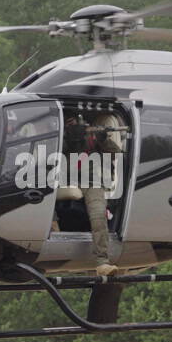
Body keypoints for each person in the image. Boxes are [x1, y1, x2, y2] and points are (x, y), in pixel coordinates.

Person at [63, 114, 122, 277]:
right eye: (68, 122)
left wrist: (102, 139)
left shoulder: (91, 136)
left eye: (73, 120)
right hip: (63, 179)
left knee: (98, 215)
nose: (72, 124)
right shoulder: (60, 135)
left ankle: (102, 262)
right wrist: (68, 140)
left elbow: (116, 153)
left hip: (91, 182)